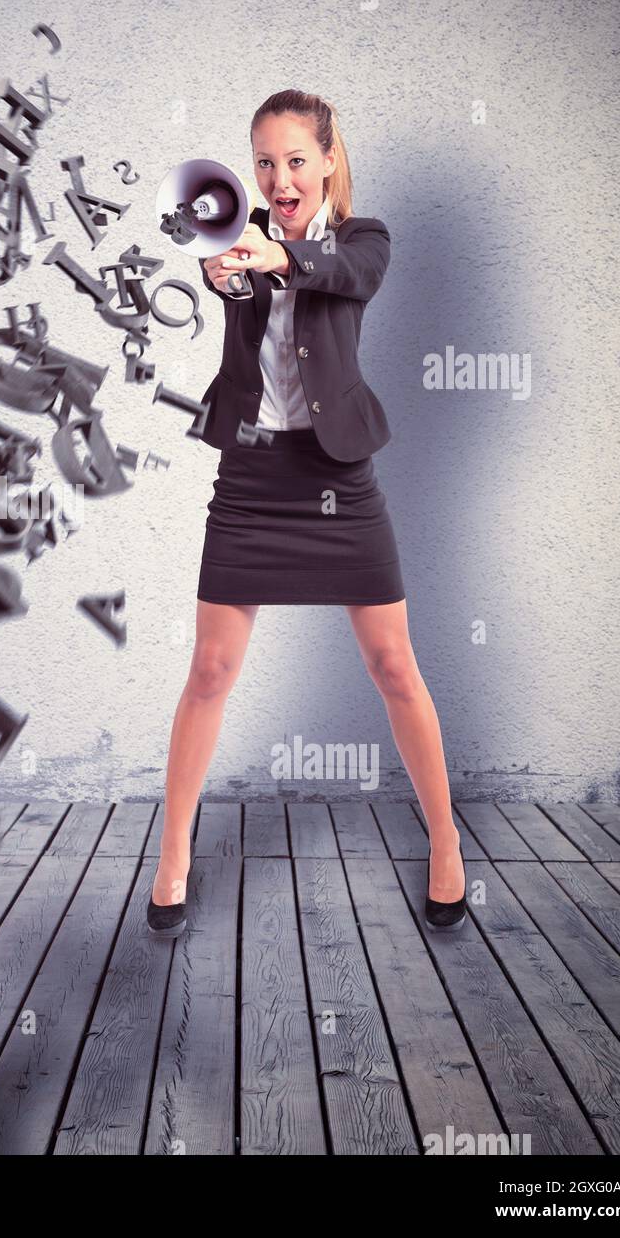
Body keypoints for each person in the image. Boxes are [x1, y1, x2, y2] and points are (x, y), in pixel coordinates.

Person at [147, 90, 466, 938]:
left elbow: (340, 276)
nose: (279, 177)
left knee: (394, 665)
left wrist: (277, 258)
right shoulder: (236, 232)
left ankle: (445, 844)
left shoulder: (364, 241)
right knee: (210, 673)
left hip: (339, 480)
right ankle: (172, 854)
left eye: (295, 160)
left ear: (327, 160)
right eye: (263, 161)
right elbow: (225, 276)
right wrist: (223, 271)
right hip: (253, 479)